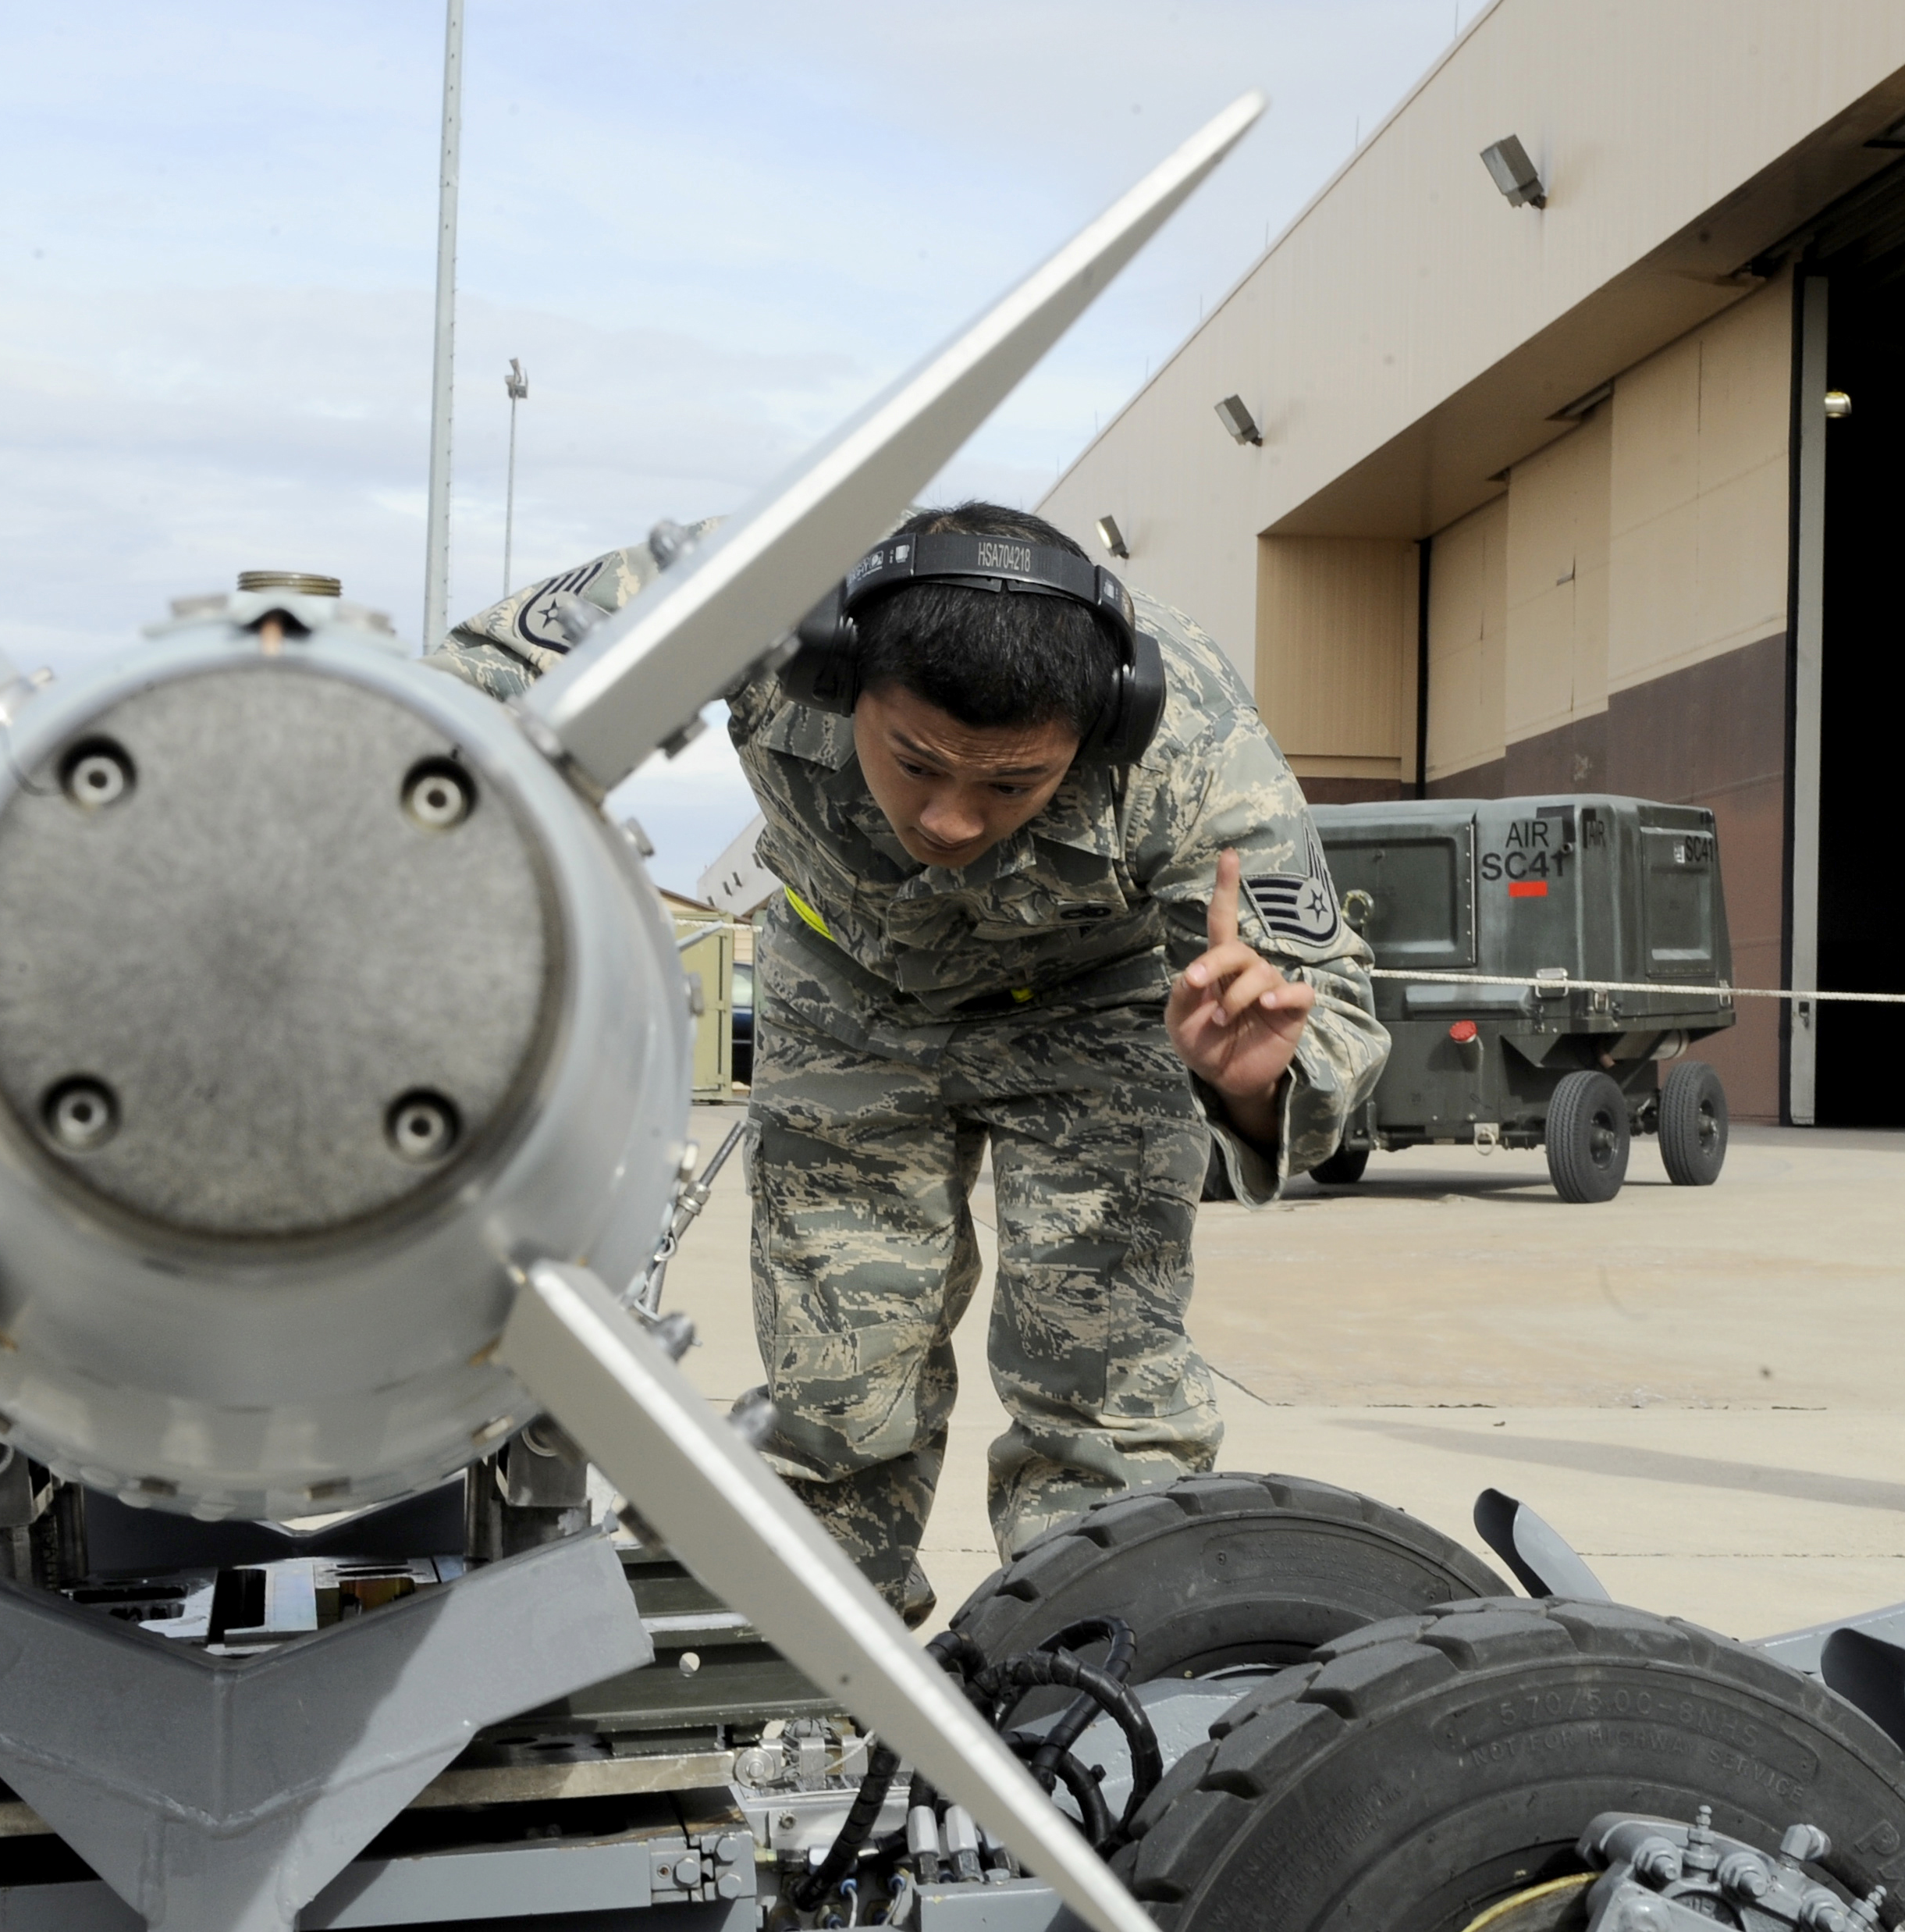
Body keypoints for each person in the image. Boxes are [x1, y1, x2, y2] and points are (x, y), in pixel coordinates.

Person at [432, 503, 1387, 1617]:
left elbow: (1332, 1020)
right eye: (917, 762)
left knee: (1109, 1402)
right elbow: (474, 681)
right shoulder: (765, 606)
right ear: (838, 678)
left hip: (1090, 1014)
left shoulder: (1195, 744)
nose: (949, 820)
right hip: (850, 996)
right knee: (838, 1396)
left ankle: (1097, 1657)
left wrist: (1251, 1074)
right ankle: (820, 1656)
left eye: (1011, 785)